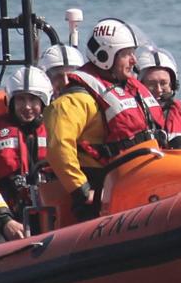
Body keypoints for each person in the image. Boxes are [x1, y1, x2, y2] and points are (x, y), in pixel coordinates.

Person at [44, 18, 165, 222]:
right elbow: (59, 147)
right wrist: (82, 190)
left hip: (141, 183)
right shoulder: (77, 99)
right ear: (105, 56)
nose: (134, 61)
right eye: (127, 55)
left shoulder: (132, 90)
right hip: (101, 191)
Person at [0, 66, 55, 244]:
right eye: (21, 99)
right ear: (11, 101)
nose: (26, 106)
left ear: (44, 101)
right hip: (9, 217)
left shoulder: (56, 127)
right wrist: (5, 220)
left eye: (33, 100)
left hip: (52, 214)